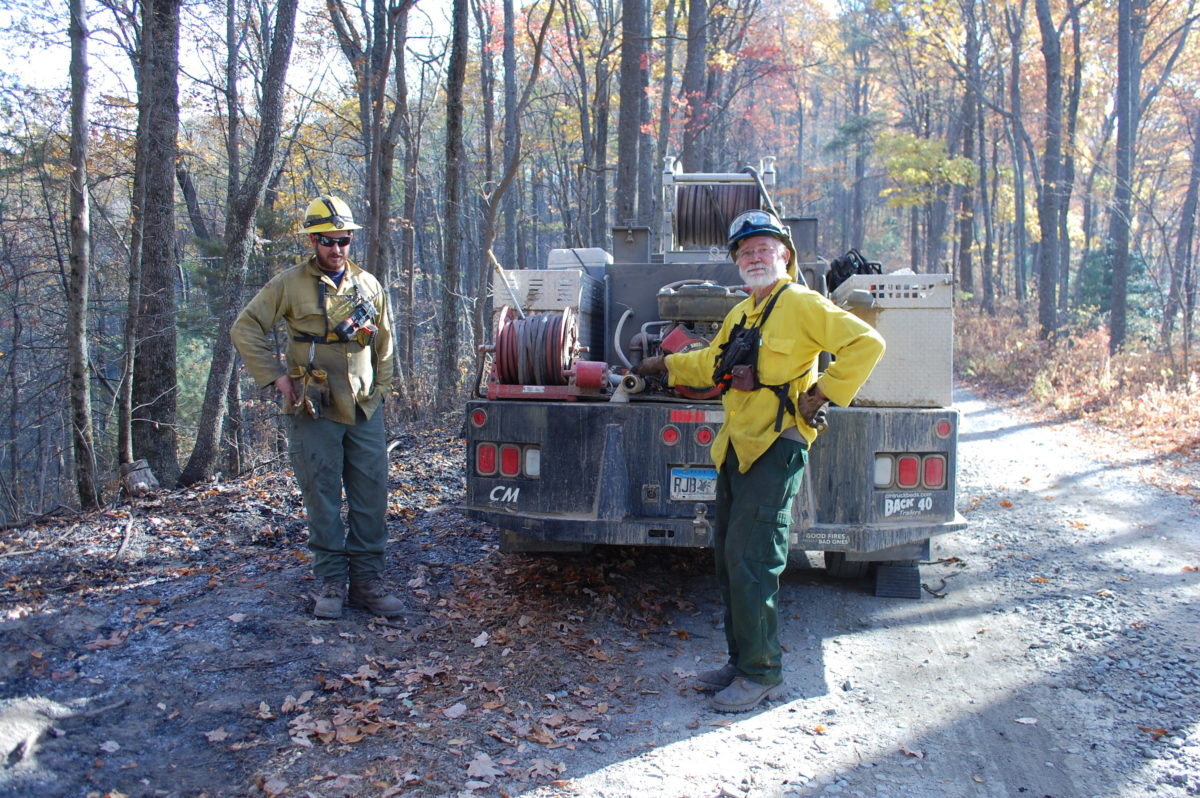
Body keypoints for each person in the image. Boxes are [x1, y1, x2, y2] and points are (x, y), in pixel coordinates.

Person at [635, 209, 885, 712]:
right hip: (736, 446)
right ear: (737, 262)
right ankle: (740, 659)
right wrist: (663, 363)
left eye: (763, 248)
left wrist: (823, 393)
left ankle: (762, 672)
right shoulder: (744, 312)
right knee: (730, 559)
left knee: (754, 560)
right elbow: (709, 363)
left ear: (784, 256)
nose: (754, 257)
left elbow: (866, 341)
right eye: (745, 251)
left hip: (776, 445)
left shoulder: (800, 303)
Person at [232, 195, 402, 620]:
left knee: (370, 497)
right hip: (313, 408)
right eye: (327, 240)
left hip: (364, 408)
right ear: (313, 241)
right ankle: (330, 583)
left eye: (343, 240)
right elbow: (245, 327)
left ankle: (367, 582)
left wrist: (380, 388)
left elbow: (385, 341)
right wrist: (276, 376)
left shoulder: (369, 285)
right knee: (322, 496)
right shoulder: (288, 284)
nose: (337, 249)